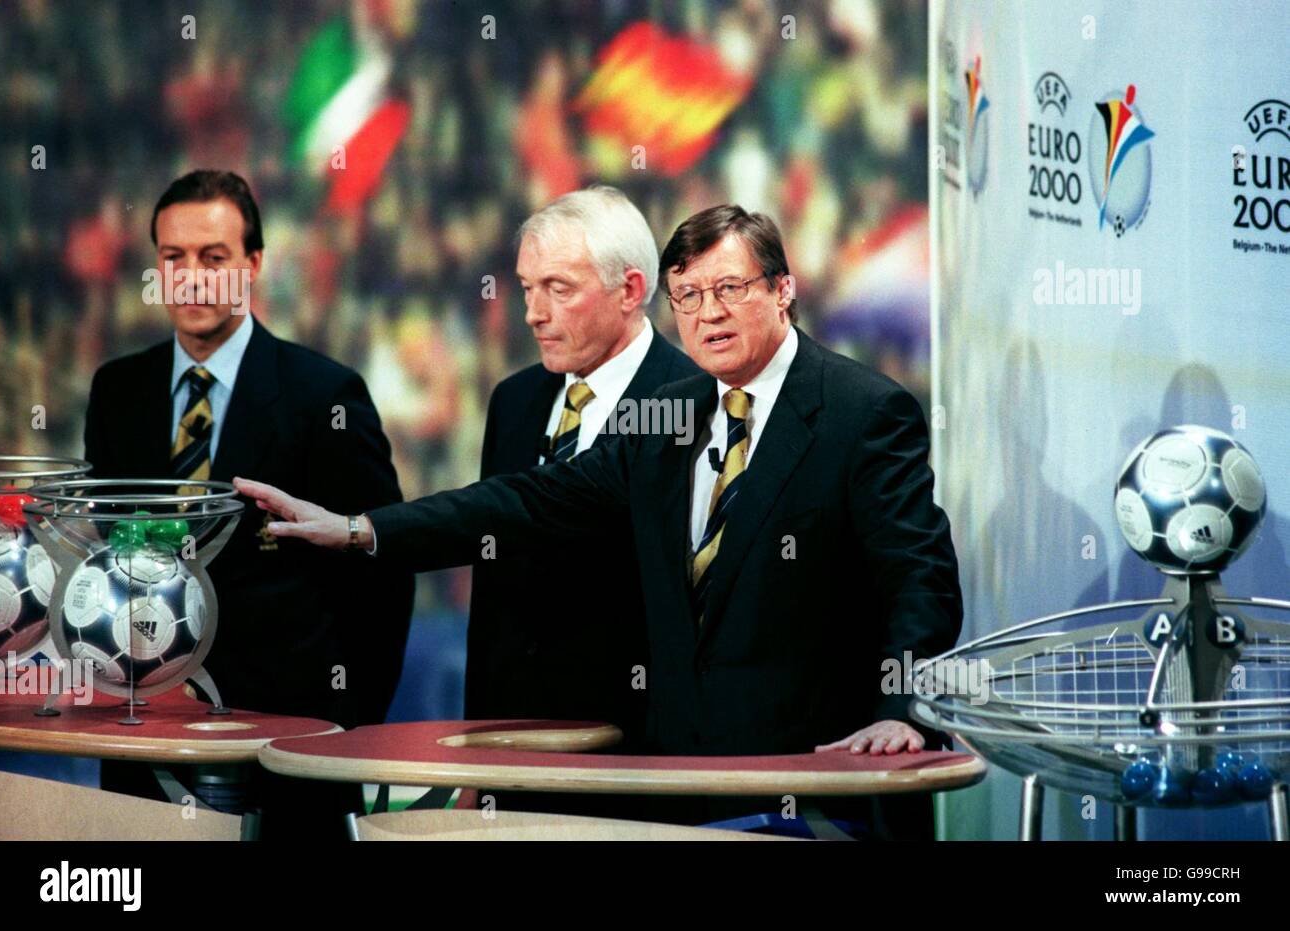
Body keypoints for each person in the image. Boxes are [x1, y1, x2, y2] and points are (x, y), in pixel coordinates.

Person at [236, 204, 963, 838]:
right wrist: (359, 528)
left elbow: (921, 578)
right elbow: (522, 502)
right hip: (679, 795)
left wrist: (902, 708)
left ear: (783, 291)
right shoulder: (668, 416)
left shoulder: (863, 411)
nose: (708, 313)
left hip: (816, 790)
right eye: (689, 296)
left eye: (729, 289)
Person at [84, 170, 414, 835]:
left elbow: (384, 567)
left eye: (214, 258)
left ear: (253, 264)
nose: (193, 277)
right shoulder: (118, 391)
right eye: (174, 258)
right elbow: (101, 556)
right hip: (141, 753)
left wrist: (342, 733)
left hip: (287, 759)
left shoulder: (325, 395)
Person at [470, 187, 696, 752]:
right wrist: (476, 744)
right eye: (527, 288)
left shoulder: (692, 400)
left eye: (558, 290)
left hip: (641, 758)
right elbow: (492, 589)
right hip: (513, 753)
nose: (533, 313)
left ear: (631, 291)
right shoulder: (514, 402)